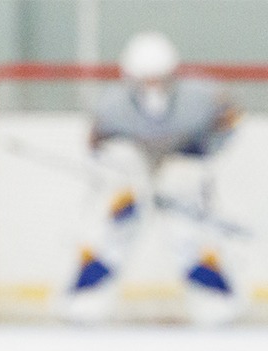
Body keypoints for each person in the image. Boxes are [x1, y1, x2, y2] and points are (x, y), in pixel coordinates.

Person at [63, 31, 244, 326]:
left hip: (182, 171)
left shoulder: (203, 97)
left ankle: (217, 300)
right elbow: (96, 144)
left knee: (187, 236)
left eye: (160, 78)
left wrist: (201, 159)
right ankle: (85, 298)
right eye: (145, 79)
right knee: (112, 233)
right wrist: (120, 172)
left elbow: (229, 122)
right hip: (134, 174)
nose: (153, 86)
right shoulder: (111, 106)